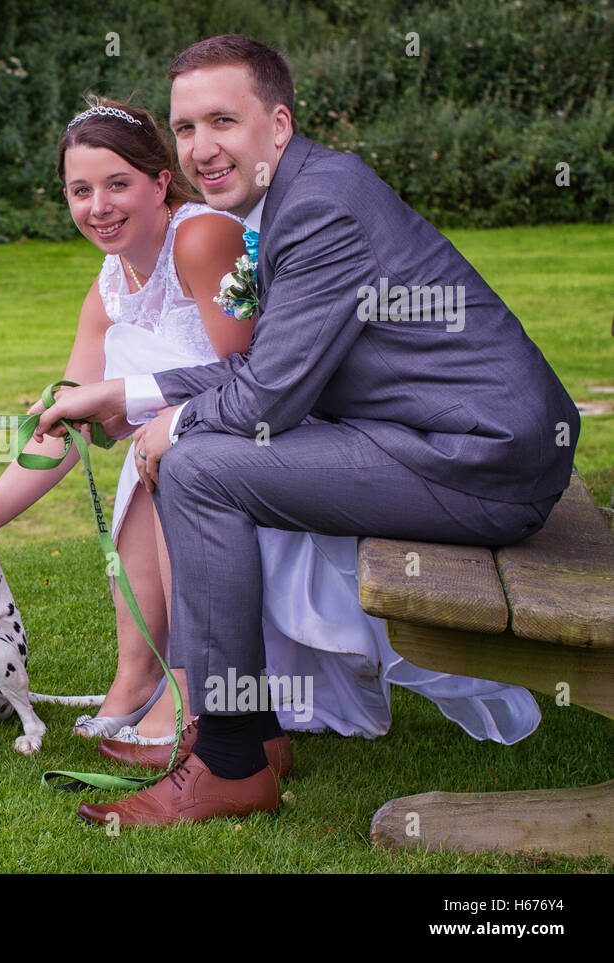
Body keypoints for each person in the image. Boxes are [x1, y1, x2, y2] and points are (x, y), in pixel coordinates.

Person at [34, 35, 580, 827]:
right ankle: (249, 731)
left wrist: (169, 420)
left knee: (198, 468)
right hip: (447, 439)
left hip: (477, 460)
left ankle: (229, 759)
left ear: (278, 125)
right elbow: (281, 362)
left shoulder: (320, 205)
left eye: (224, 120)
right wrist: (126, 391)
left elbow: (266, 399)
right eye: (186, 128)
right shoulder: (296, 192)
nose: (200, 147)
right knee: (199, 458)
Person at [0, 97, 249, 751]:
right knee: (149, 460)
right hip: (174, 449)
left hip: (257, 437)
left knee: (171, 457)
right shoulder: (109, 283)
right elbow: (64, 425)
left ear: (159, 180)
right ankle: (136, 675)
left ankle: (190, 682)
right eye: (80, 190)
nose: (99, 206)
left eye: (118, 183)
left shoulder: (207, 237)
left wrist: (151, 411)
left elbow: (259, 376)